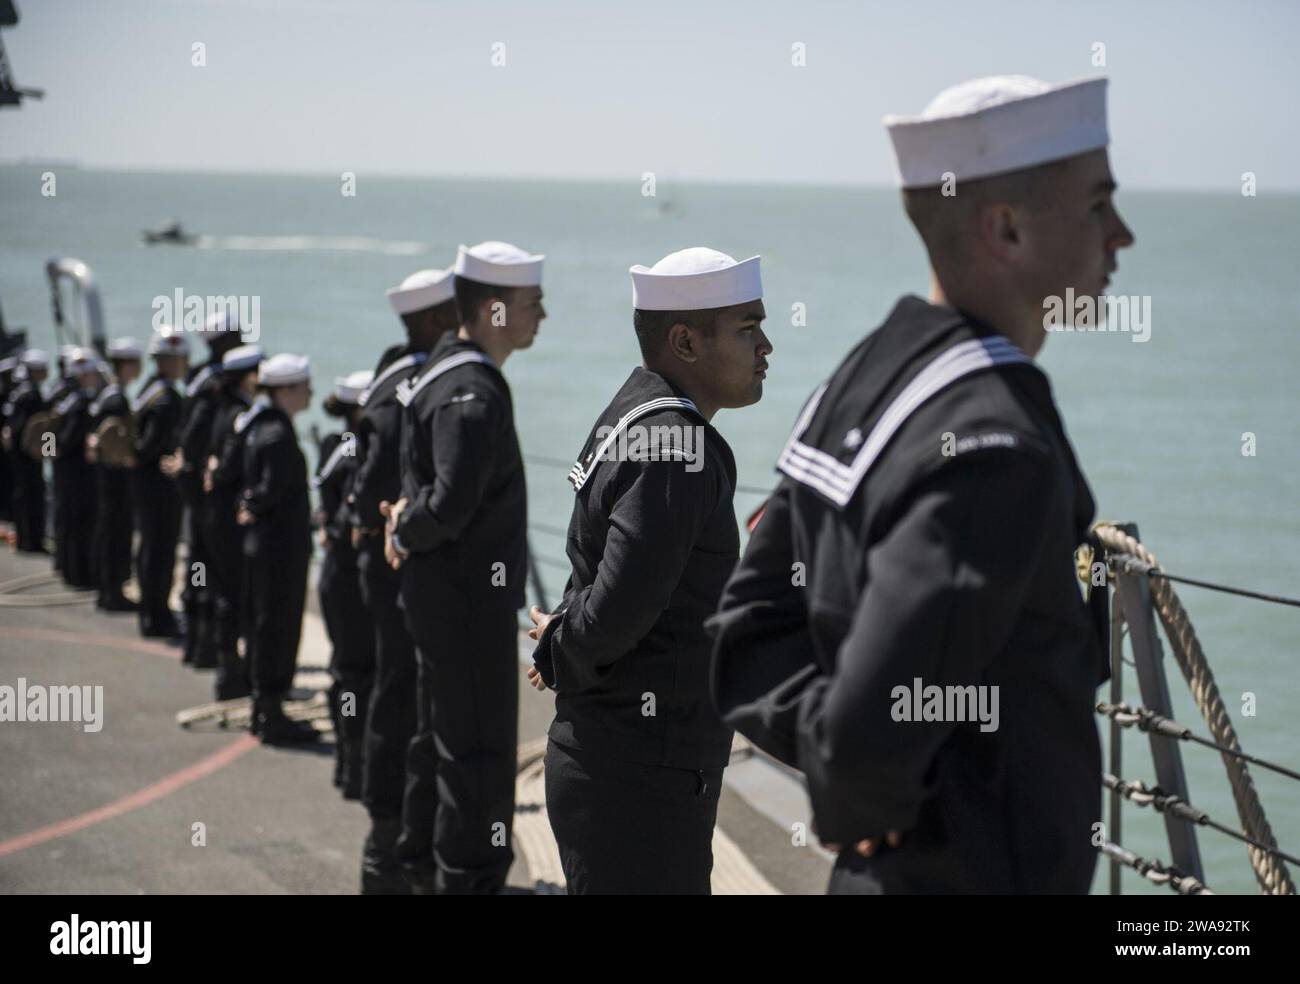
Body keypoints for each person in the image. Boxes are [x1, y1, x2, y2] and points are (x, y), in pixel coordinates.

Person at [708, 75, 1133, 895]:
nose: (1122, 236)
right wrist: (861, 778)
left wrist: (859, 773)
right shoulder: (995, 446)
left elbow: (749, 635)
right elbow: (874, 722)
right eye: (1097, 206)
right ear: (1006, 228)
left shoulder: (866, 376)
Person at [527, 247, 772, 894]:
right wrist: (561, 646)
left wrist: (562, 631)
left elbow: (604, 568)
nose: (767, 346)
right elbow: (616, 609)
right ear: (686, 341)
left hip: (622, 766)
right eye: (748, 328)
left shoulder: (637, 412)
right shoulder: (677, 448)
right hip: (638, 777)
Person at [386, 240, 545, 894]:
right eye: (533, 304)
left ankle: (423, 870)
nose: (544, 315)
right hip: (466, 606)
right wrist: (406, 527)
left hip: (443, 601)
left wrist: (406, 521)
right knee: (478, 760)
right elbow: (451, 502)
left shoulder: (441, 372)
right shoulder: (472, 389)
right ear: (494, 311)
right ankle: (470, 882)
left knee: (441, 743)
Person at [349, 267, 458, 893]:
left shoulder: (389, 377)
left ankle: (398, 840)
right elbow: (380, 488)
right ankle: (388, 845)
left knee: (404, 694)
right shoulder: (412, 387)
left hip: (391, 557)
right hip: (401, 566)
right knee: (403, 696)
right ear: (437, 320)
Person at [237, 353, 317, 744]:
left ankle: (262, 707)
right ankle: (271, 712)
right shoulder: (279, 435)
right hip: (281, 550)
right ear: (286, 390)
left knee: (262, 624)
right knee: (279, 626)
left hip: (263, 546)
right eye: (304, 386)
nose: (311, 392)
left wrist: (249, 505)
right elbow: (271, 489)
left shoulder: (258, 426)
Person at [314, 369, 375, 798]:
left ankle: (346, 761)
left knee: (344, 671)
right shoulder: (361, 455)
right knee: (360, 673)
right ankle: (357, 765)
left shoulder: (331, 447)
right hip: (355, 578)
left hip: (335, 572)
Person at [178, 311, 245, 667]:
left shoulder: (198, 377)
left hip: (196, 485)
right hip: (208, 490)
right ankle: (206, 645)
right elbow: (198, 434)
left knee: (198, 562)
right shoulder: (218, 384)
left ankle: (195, 640)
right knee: (210, 567)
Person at [204, 344, 264, 700]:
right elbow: (227, 468)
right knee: (236, 594)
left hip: (217, 517)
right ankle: (232, 672)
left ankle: (228, 666)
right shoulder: (242, 415)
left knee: (227, 592)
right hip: (230, 521)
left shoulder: (222, 409)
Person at [132, 326, 189, 638]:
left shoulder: (148, 388)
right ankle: (158, 615)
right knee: (161, 550)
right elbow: (152, 445)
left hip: (144, 484)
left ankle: (149, 612)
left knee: (149, 549)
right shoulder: (167, 399)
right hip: (160, 486)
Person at [87, 337, 143, 611]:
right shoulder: (117, 399)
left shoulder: (106, 393)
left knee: (109, 529)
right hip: (115, 476)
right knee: (116, 530)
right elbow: (114, 439)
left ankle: (106, 587)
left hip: (104, 475)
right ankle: (112, 591)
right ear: (127, 365)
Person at [51, 348, 105, 589]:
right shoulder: (82, 403)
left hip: (64, 471)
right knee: (82, 524)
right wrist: (87, 444)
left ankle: (66, 567)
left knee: (68, 520)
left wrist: (54, 457)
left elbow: (50, 438)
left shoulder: (63, 398)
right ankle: (80, 576)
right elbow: (68, 439)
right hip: (79, 474)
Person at [1, 350, 50, 553]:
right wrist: (49, 451)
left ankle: (24, 540)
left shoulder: (18, 394)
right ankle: (33, 542)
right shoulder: (33, 396)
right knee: (33, 496)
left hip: (18, 455)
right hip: (30, 456)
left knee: (20, 494)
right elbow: (44, 426)